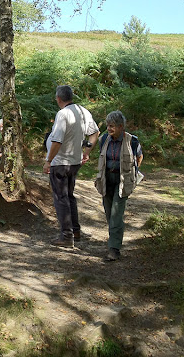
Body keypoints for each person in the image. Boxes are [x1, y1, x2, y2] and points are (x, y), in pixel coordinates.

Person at [43, 85, 99, 248]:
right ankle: (75, 231)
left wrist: (48, 160)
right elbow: (95, 133)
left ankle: (67, 236)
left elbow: (57, 141)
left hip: (60, 163)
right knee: (69, 196)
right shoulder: (83, 111)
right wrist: (86, 152)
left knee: (61, 198)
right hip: (74, 162)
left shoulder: (63, 114)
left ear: (58, 99)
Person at [94, 110, 143, 262]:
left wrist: (131, 174)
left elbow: (139, 157)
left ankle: (114, 249)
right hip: (106, 179)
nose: (109, 129)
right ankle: (114, 238)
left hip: (123, 181)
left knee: (116, 212)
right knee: (109, 212)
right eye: (108, 126)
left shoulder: (132, 141)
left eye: (112, 126)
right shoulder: (103, 140)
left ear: (121, 127)